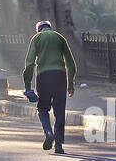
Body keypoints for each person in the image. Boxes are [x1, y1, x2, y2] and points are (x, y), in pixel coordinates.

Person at [21, 20, 78, 154]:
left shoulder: (37, 38)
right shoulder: (59, 38)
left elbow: (29, 63)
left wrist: (28, 85)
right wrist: (70, 84)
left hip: (43, 76)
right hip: (60, 76)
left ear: (39, 29)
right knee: (59, 110)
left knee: (42, 108)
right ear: (50, 28)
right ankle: (58, 145)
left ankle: (48, 132)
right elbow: (70, 64)